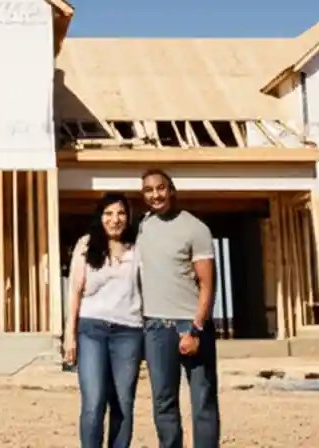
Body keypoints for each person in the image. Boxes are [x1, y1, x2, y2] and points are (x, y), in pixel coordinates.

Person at [136, 168, 219, 448]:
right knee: (163, 402)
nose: (155, 195)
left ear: (171, 190)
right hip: (156, 328)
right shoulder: (143, 226)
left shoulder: (195, 228)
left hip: (191, 326)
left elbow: (208, 284)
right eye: (149, 190)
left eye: (160, 188)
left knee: (203, 401)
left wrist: (196, 329)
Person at [64, 192, 143, 448]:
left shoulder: (139, 248)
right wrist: (70, 337)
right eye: (108, 213)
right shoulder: (86, 245)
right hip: (91, 330)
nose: (115, 219)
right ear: (100, 217)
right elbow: (75, 291)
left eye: (120, 213)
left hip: (129, 331)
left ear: (128, 217)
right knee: (93, 402)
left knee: (123, 403)